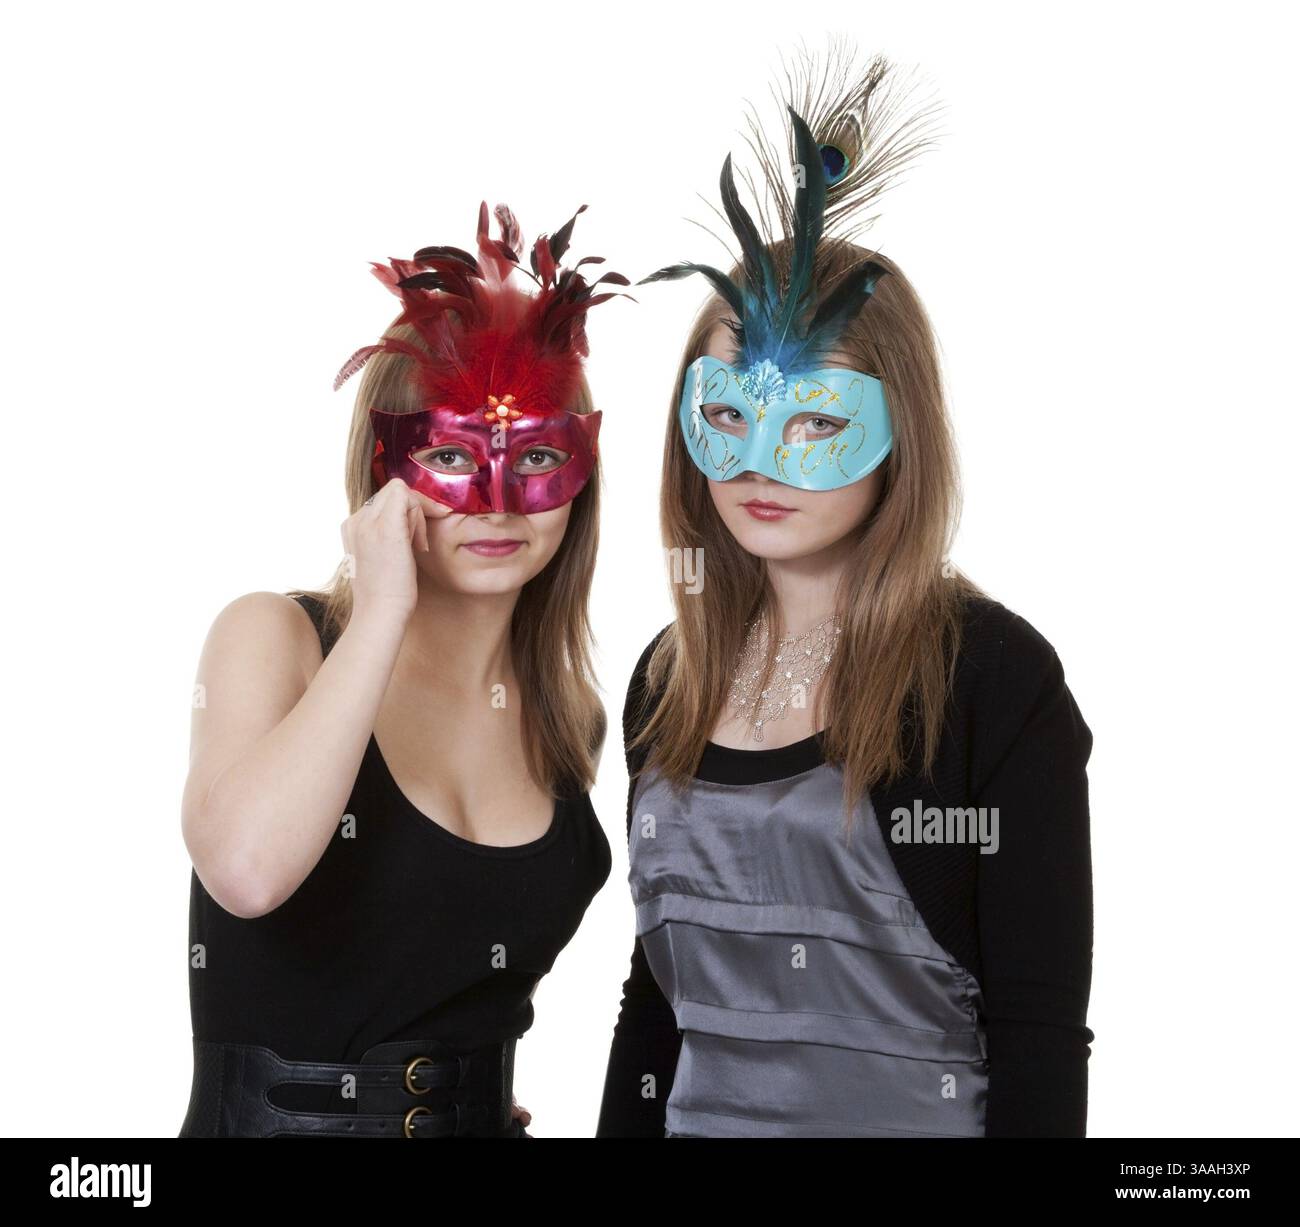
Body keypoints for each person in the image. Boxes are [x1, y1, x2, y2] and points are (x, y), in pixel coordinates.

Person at [596, 47, 1095, 1138]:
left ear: (893, 432)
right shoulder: (665, 680)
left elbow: (1039, 1031)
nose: (761, 462)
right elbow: (656, 1011)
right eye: (728, 415)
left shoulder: (994, 678)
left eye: (816, 420)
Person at [179, 201, 625, 1137]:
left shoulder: (562, 714)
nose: (498, 502)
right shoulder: (277, 640)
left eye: (538, 454)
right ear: (385, 464)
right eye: (455, 457)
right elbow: (247, 869)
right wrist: (382, 607)